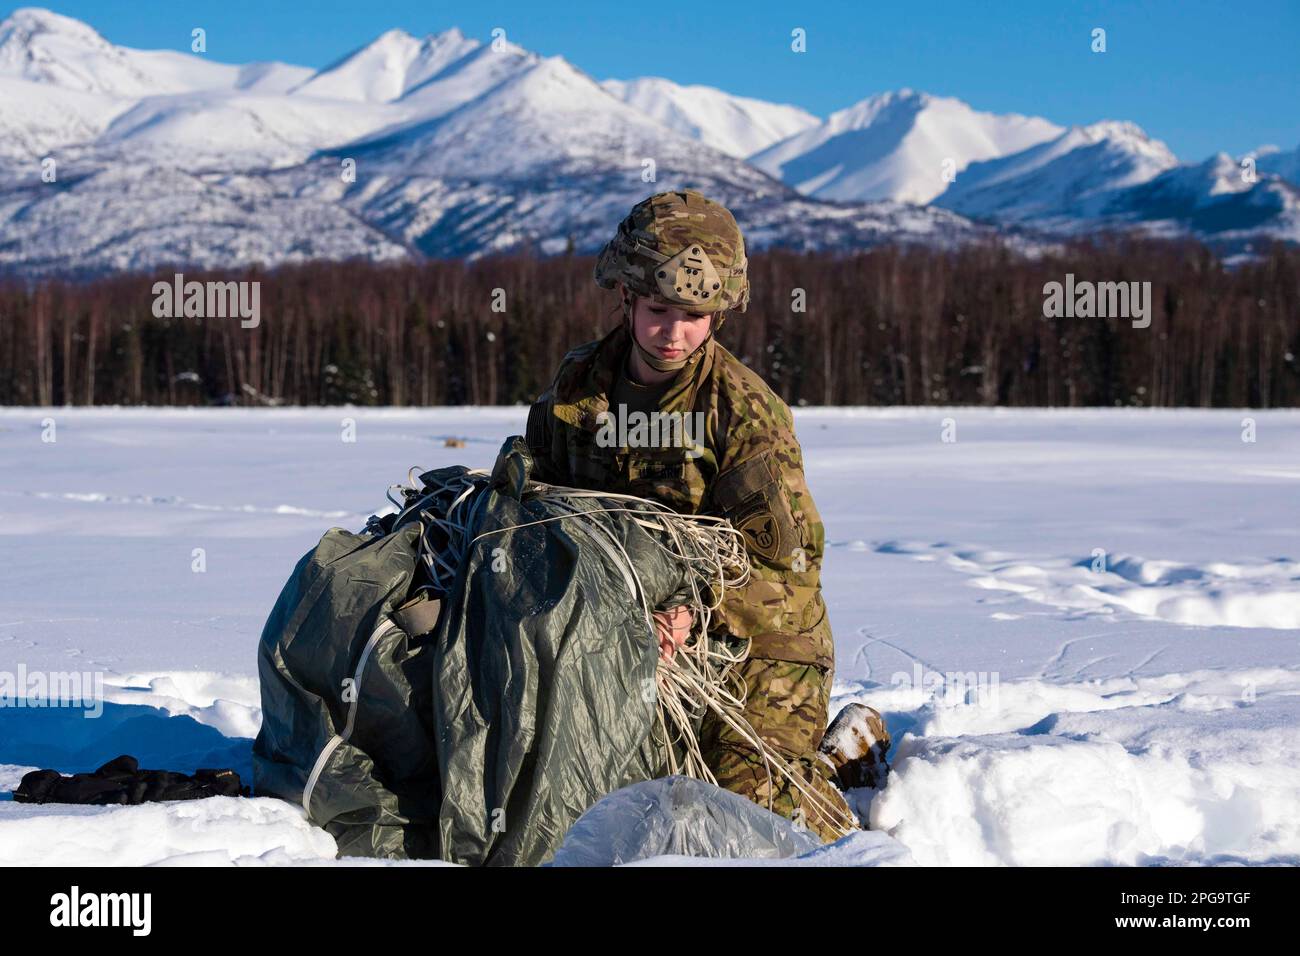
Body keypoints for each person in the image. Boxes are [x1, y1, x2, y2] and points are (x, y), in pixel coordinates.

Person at [523, 189, 888, 842]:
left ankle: (845, 757)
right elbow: (539, 500)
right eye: (659, 309)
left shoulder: (746, 415)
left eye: (695, 315)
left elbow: (790, 567)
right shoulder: (579, 388)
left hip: (760, 641)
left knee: (746, 814)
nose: (674, 332)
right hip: (612, 630)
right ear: (628, 299)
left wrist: (695, 609)